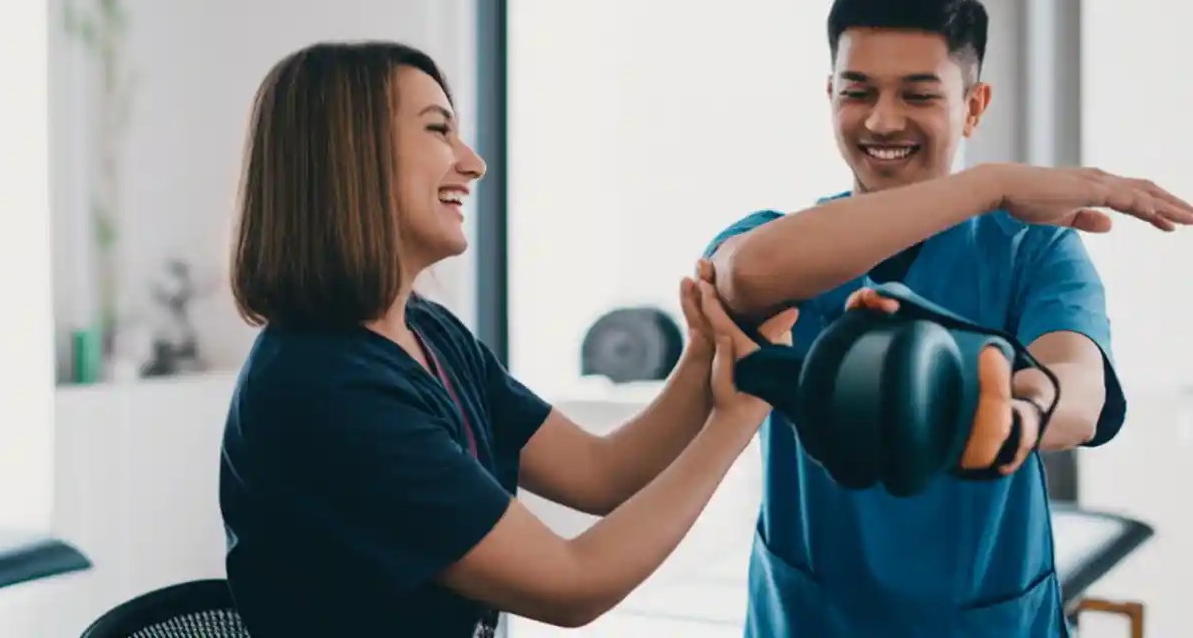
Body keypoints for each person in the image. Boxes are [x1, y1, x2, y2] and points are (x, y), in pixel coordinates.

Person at [218, 41, 793, 637]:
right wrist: (736, 419)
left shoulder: (427, 333)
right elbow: (572, 587)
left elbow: (603, 473)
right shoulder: (326, 390)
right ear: (350, 159)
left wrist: (705, 351)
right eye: (439, 131)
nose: (473, 163)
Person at [704, 0, 1193, 637]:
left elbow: (1078, 389)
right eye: (858, 91)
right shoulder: (776, 241)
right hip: (811, 617)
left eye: (918, 94)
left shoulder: (1032, 249)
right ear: (829, 95)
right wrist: (988, 183)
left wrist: (1020, 417)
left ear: (975, 105)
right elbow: (744, 277)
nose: (881, 119)